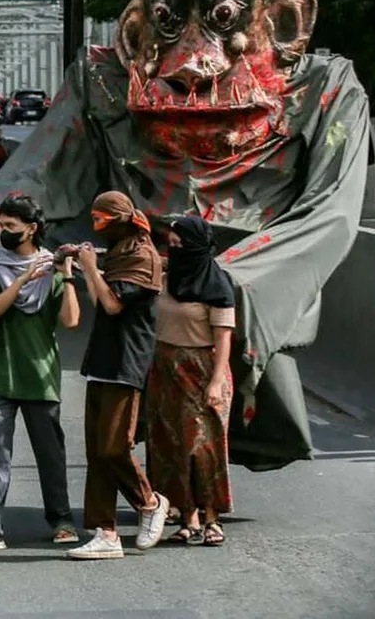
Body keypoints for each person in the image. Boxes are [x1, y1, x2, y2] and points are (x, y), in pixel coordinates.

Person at [0, 195, 80, 552]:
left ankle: (61, 520)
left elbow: (71, 320)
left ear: (31, 229)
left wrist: (67, 277)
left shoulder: (52, 268)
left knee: (51, 454)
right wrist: (24, 279)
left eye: (11, 227)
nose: (4, 232)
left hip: (41, 375)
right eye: (3, 225)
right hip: (0, 374)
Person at [67, 191, 170, 561]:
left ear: (121, 220)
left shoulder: (143, 256)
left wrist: (92, 267)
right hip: (103, 358)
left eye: (102, 221)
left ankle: (149, 501)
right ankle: (105, 532)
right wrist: (78, 270)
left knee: (114, 445)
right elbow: (101, 302)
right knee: (97, 451)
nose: (97, 227)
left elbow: (113, 304)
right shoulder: (119, 254)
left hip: (127, 361)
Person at [148, 216, 236, 547]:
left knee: (202, 447)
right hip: (164, 371)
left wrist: (215, 382)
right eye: (170, 245)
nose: (173, 251)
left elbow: (223, 339)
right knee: (170, 445)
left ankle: (212, 516)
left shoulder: (217, 285)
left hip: (202, 370)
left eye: (179, 244)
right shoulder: (167, 278)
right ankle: (187, 517)